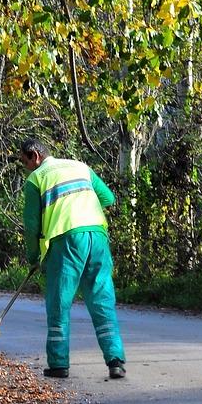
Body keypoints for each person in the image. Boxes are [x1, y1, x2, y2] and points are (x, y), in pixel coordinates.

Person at [20, 137, 126, 380]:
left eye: (24, 160)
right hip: (97, 236)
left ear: (35, 155)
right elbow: (108, 198)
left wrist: (33, 256)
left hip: (66, 239)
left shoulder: (36, 179)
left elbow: (31, 224)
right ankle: (115, 360)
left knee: (59, 301)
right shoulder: (80, 167)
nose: (25, 166)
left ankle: (58, 363)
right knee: (101, 300)